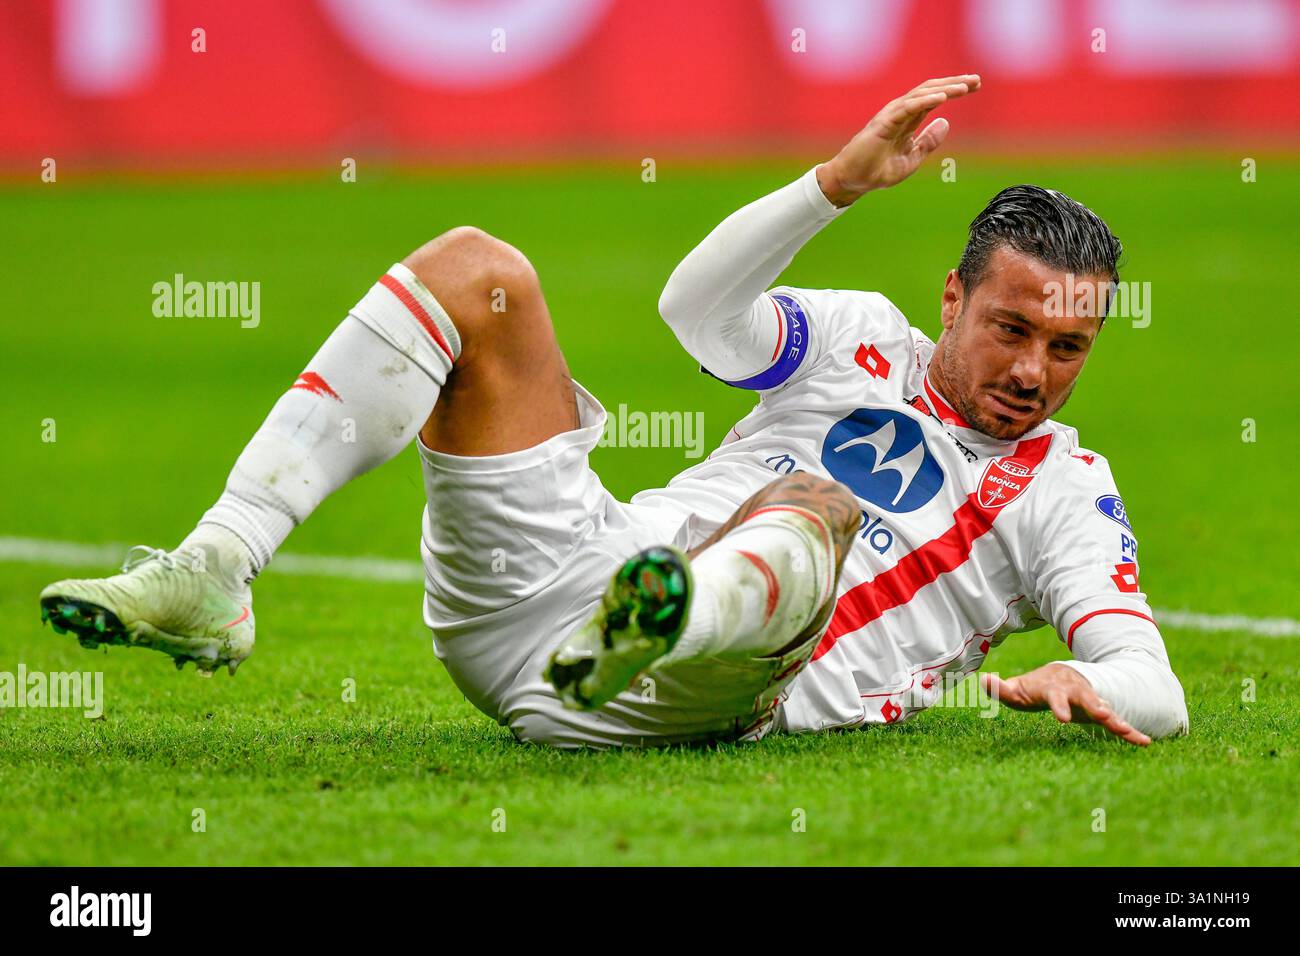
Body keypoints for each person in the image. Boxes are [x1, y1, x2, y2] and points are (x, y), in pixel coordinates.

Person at [39, 75, 1188, 749]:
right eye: (1012, 327)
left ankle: (661, 626)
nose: (1034, 369)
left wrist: (1088, 681)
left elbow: (1154, 682)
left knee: (807, 504)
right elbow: (696, 312)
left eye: (1068, 345)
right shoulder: (858, 334)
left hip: (712, 694)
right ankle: (217, 563)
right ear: (954, 296)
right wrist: (828, 187)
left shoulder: (1058, 487)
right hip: (548, 584)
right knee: (477, 271)